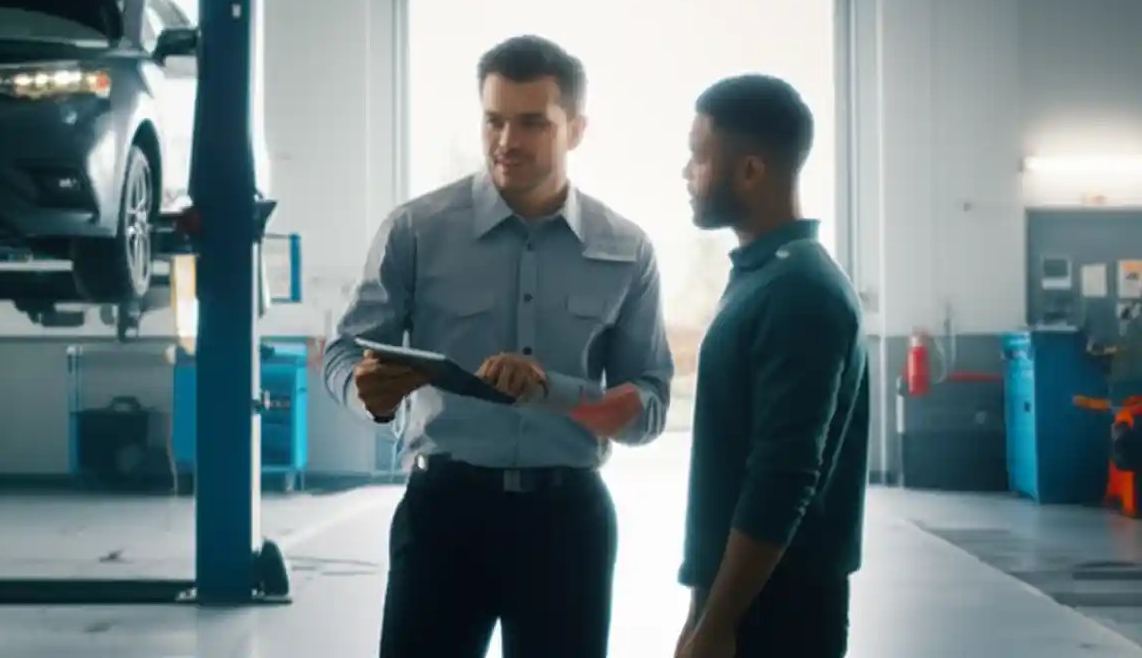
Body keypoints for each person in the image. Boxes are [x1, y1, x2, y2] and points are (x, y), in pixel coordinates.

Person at [322, 34, 674, 658]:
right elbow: (344, 353)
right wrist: (363, 389)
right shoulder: (416, 231)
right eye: (494, 120)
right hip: (444, 517)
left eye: (533, 122)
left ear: (577, 129)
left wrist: (552, 391)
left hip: (568, 526)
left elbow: (647, 408)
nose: (508, 141)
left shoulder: (627, 250)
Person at [672, 75, 870, 658]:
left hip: (781, 609)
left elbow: (783, 476)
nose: (686, 173)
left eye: (699, 156)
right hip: (742, 599)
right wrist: (701, 610)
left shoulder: (800, 291)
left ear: (750, 170)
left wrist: (717, 623)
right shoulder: (762, 276)